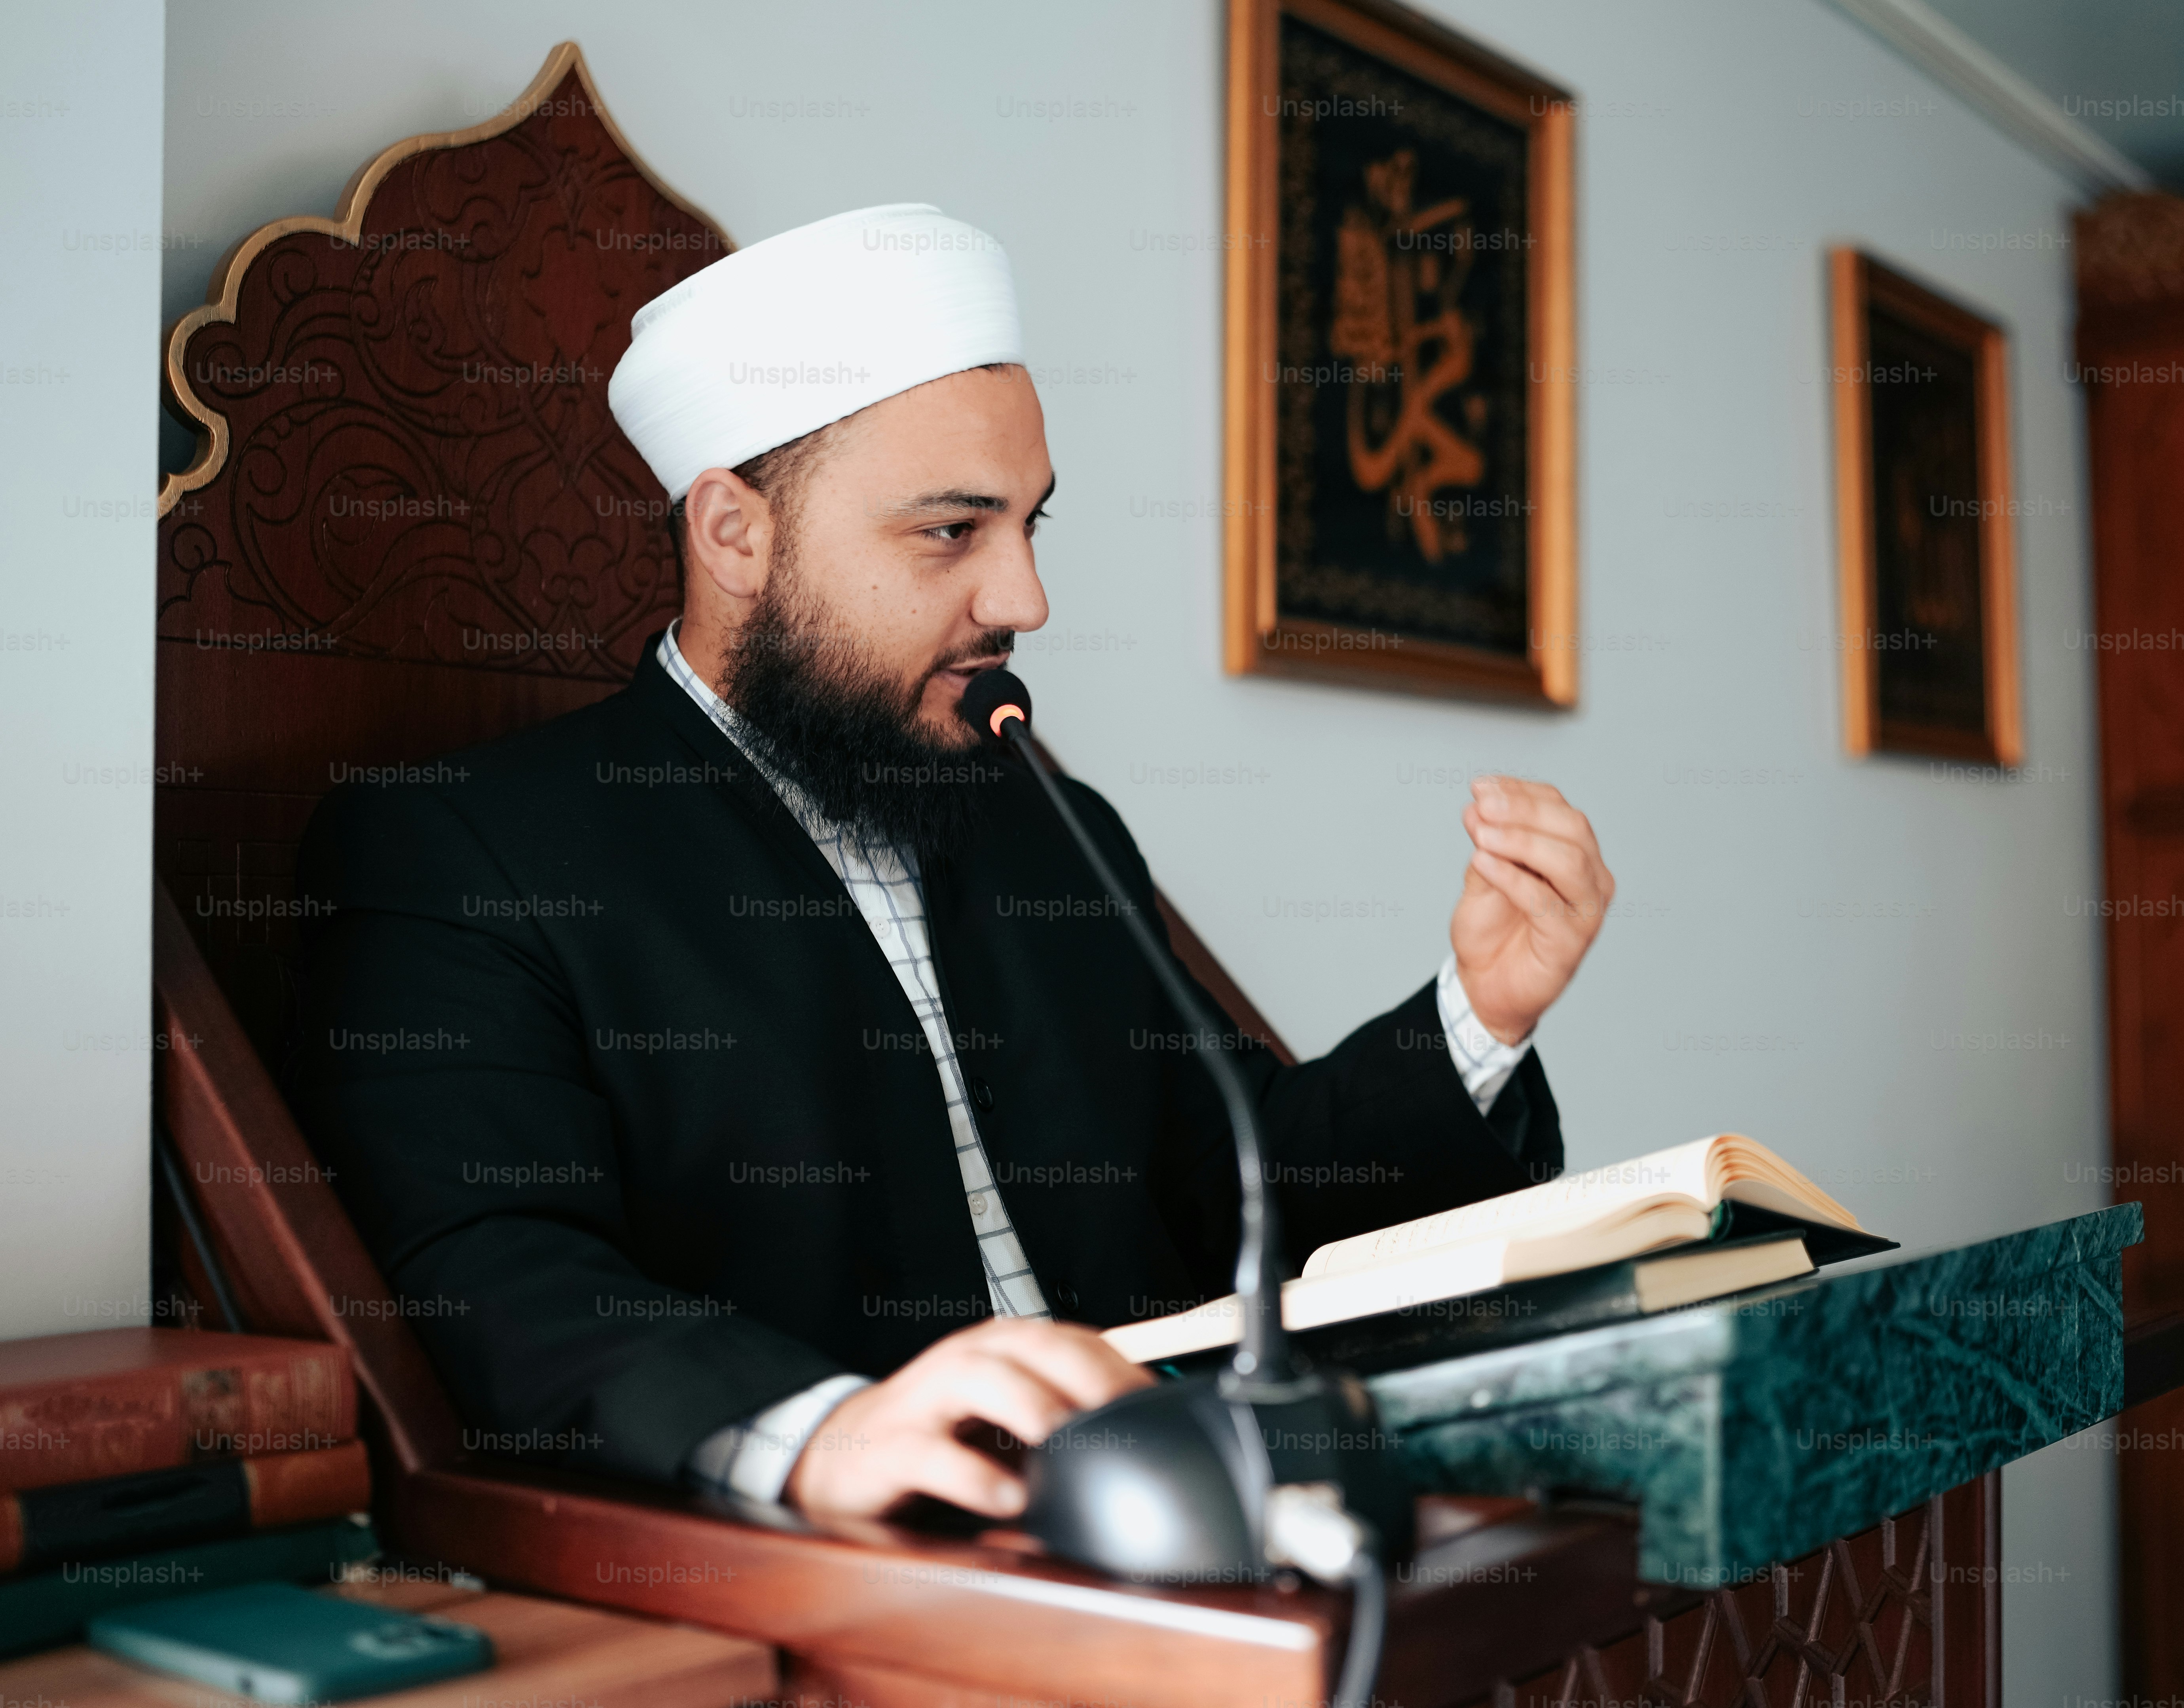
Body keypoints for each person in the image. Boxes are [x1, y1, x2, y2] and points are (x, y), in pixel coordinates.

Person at [288, 205, 1614, 1525]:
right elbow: (491, 1262)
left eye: (1031, 524)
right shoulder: (471, 844)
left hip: (1182, 1510)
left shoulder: (1050, 820)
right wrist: (823, 1435)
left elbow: (1237, 1185)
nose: (1024, 600)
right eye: (949, 533)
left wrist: (1478, 1016)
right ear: (734, 534)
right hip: (830, 1576)